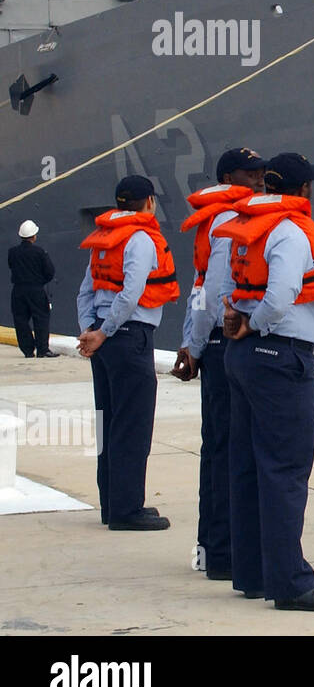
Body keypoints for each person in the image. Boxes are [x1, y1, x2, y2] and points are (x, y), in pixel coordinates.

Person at [214, 153, 314, 611]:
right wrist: (255, 325)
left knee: (248, 466)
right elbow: (282, 295)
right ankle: (291, 583)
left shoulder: (244, 227)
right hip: (280, 357)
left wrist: (234, 323)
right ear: (304, 190)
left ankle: (252, 574)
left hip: (240, 359)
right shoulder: (291, 231)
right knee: (285, 470)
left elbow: (220, 287)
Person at [173, 148, 266, 584]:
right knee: (228, 451)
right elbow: (213, 293)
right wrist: (194, 346)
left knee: (217, 450)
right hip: (221, 343)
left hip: (210, 341)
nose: (259, 181)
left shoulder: (220, 218)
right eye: (250, 174)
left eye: (262, 174)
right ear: (228, 176)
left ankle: (213, 548)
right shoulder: (229, 222)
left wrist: (191, 343)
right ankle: (223, 552)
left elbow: (198, 290)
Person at [76, 176, 179, 530]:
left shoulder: (103, 240)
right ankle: (127, 510)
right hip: (128, 336)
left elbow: (85, 292)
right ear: (149, 201)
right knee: (132, 425)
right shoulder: (140, 239)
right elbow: (131, 294)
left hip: (104, 336)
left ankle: (112, 505)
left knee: (108, 422)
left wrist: (90, 330)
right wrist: (103, 334)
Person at [8, 220, 56, 358]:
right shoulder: (39, 252)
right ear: (34, 236)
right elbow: (50, 271)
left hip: (18, 290)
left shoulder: (12, 252)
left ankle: (28, 350)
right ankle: (42, 349)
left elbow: (11, 266)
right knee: (41, 318)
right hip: (36, 289)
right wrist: (40, 282)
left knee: (21, 320)